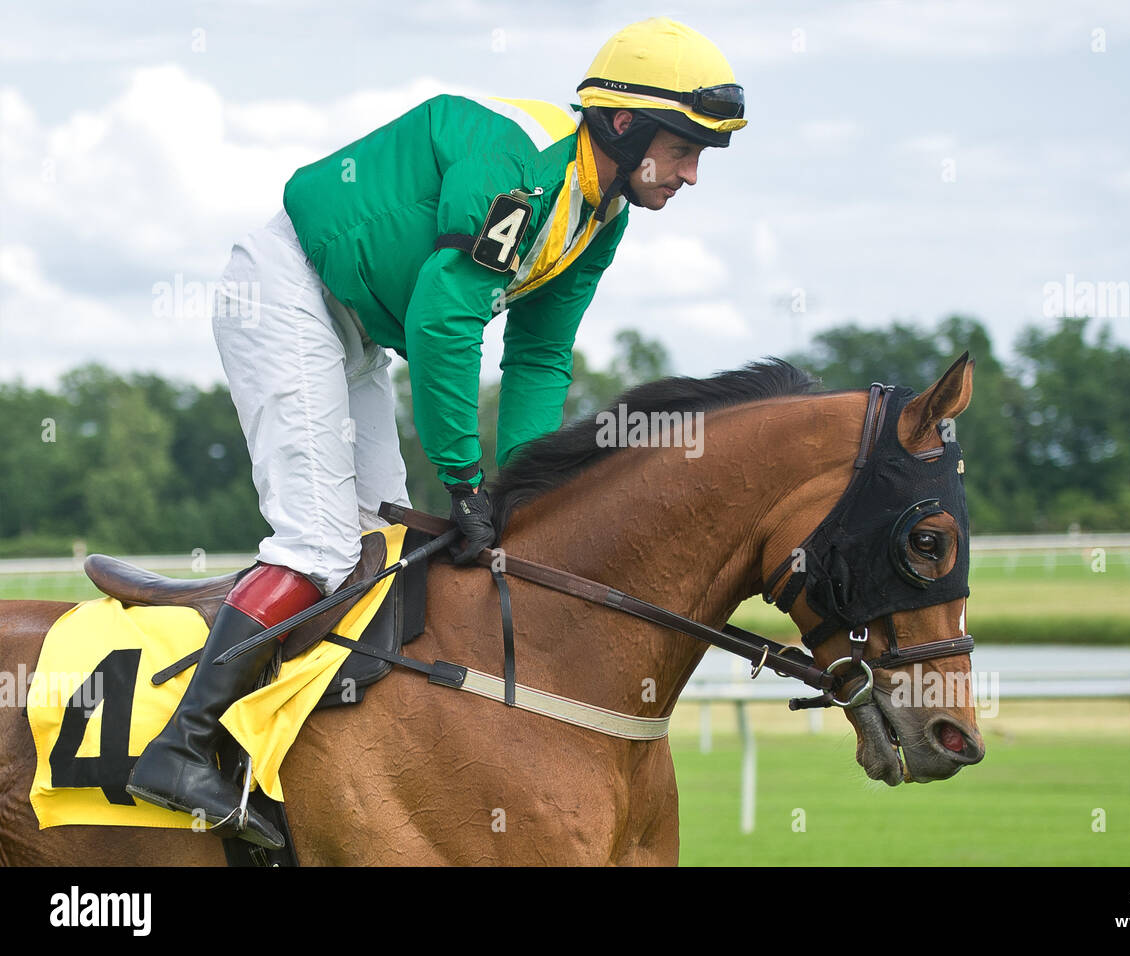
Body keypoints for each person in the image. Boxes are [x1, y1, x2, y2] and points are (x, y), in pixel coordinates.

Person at [124, 17, 747, 847]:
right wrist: (461, 478)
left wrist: (522, 493)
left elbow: (538, 355)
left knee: (381, 547)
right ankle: (181, 742)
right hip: (286, 291)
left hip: (355, 328)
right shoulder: (519, 169)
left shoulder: (601, 218)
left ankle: (317, 758)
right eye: (685, 148)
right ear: (623, 123)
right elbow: (446, 322)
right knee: (318, 547)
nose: (691, 174)